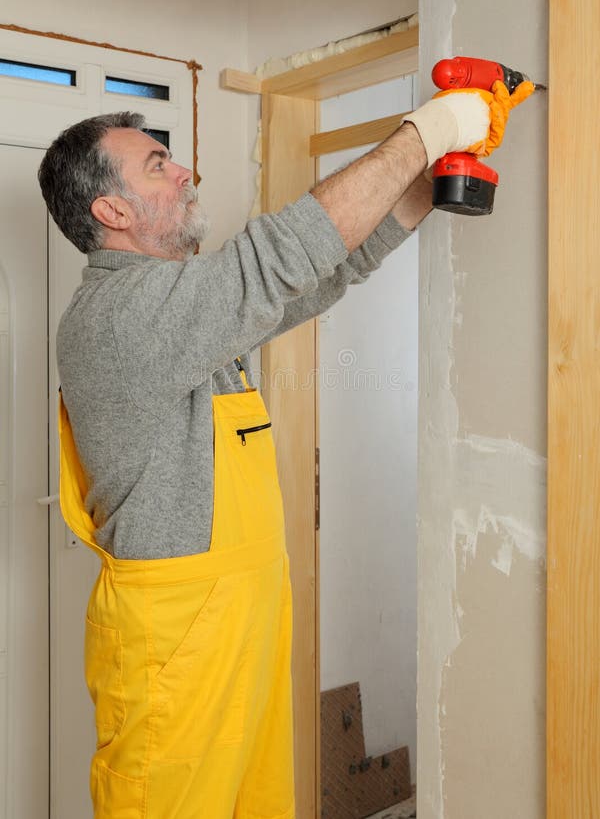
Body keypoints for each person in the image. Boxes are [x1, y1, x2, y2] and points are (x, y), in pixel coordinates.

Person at [38, 78, 533, 819]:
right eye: (156, 166)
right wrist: (427, 128)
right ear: (111, 211)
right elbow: (275, 258)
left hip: (243, 613)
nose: (185, 173)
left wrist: (425, 187)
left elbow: (318, 274)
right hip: (176, 644)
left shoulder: (185, 306)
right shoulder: (118, 317)